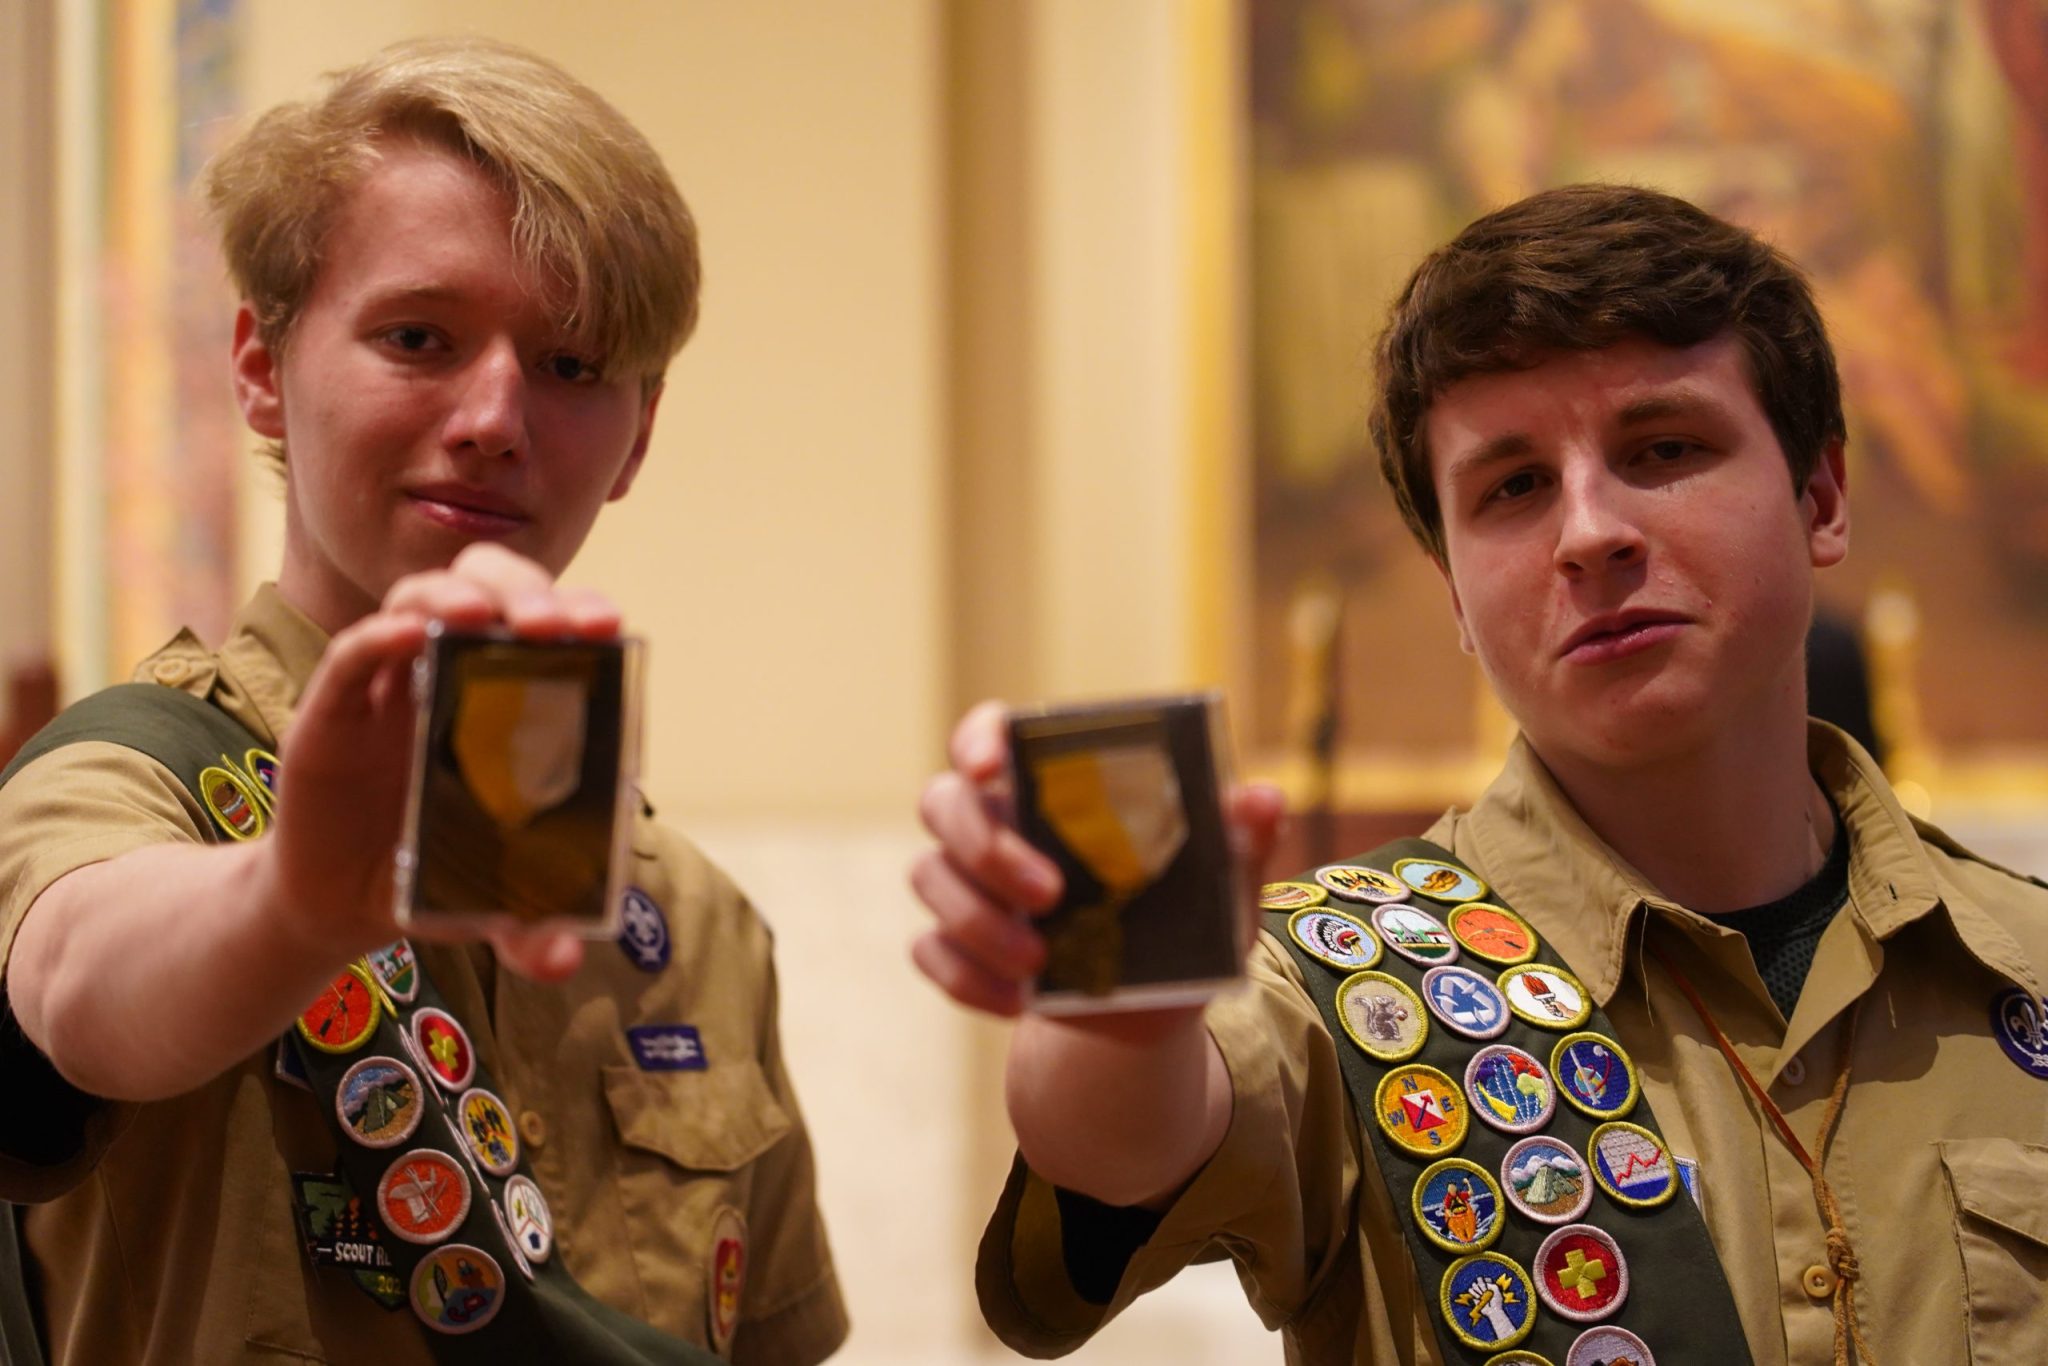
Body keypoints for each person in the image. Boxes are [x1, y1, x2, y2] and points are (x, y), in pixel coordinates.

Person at [911, 183, 2048, 1363]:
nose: (1587, 530)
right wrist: (1115, 1016)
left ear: (1818, 494)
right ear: (1454, 593)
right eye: (1511, 487)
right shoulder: (1346, 978)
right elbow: (1130, 1134)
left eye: (1662, 448)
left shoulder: (2022, 961)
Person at [0, 38, 845, 1365]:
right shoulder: (129, 772)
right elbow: (77, 983)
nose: (497, 412)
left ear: (639, 433)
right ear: (262, 365)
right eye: (418, 337)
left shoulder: (694, 914)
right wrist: (295, 902)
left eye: (573, 365)